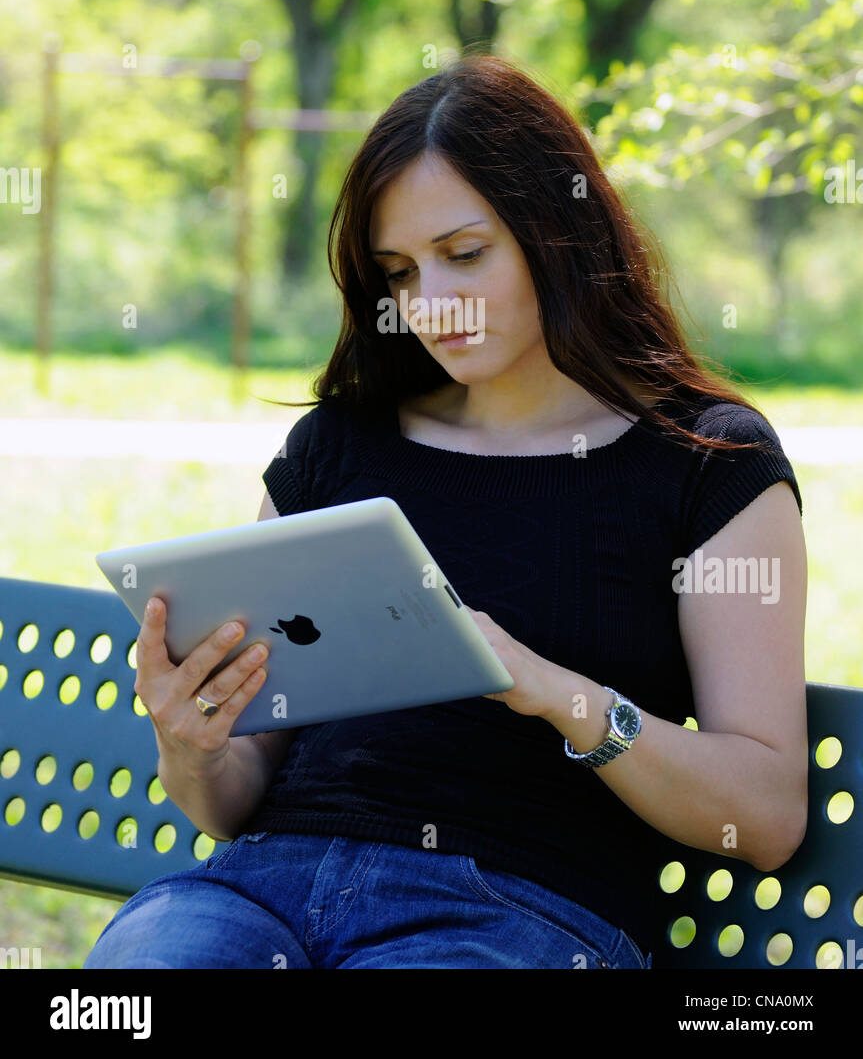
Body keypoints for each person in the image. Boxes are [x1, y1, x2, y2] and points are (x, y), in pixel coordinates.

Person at [84, 52, 807, 970]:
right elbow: (234, 797)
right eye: (399, 272)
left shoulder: (706, 463)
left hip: (515, 911)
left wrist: (559, 697)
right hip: (256, 892)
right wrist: (190, 745)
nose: (431, 305)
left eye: (464, 255)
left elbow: (768, 814)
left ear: (556, 232)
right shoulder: (340, 445)